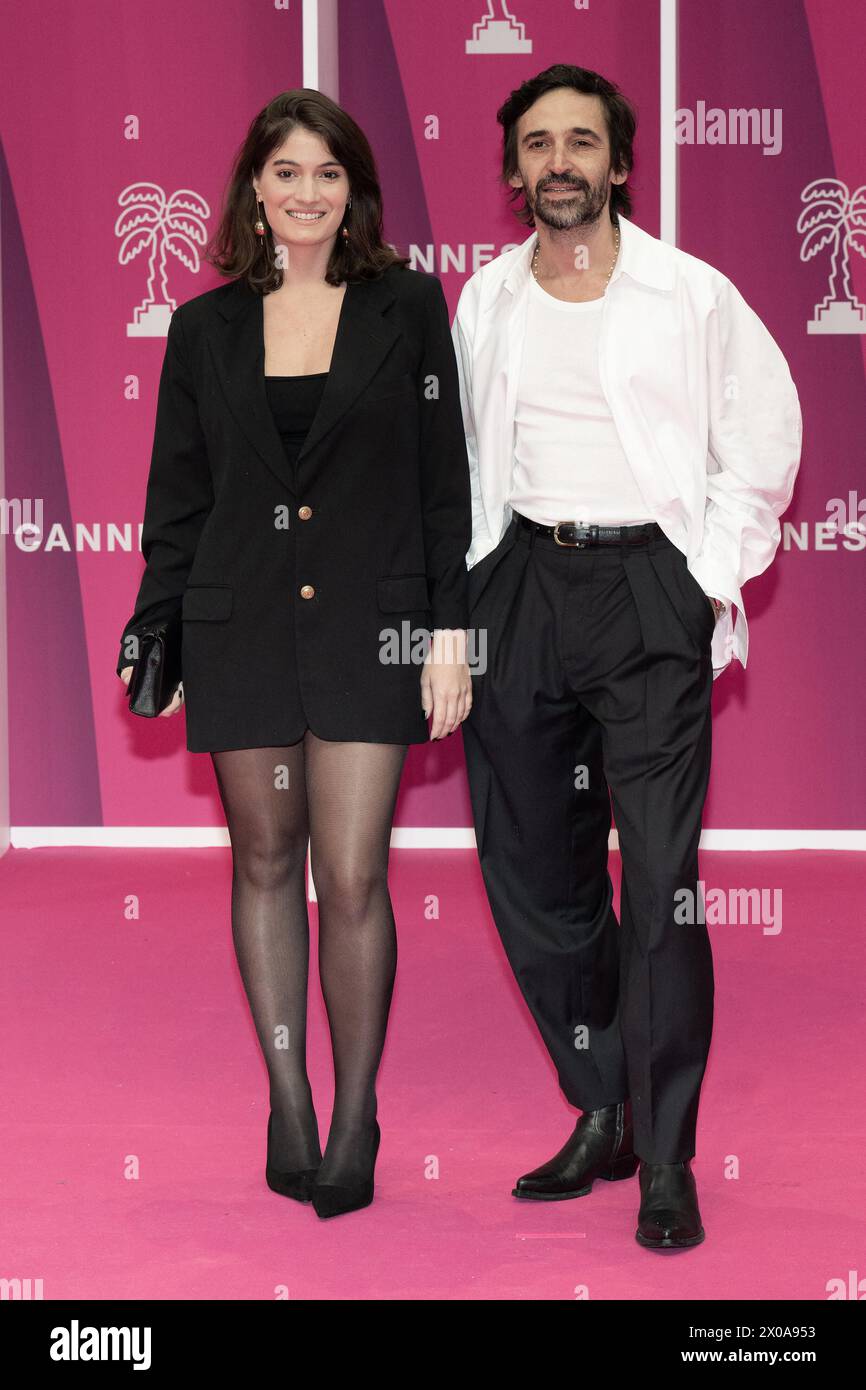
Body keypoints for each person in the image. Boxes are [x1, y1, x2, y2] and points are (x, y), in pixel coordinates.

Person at [452, 64, 802, 1249]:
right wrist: (470, 603)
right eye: (538, 143)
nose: (559, 161)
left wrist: (702, 575)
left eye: (581, 143)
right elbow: (459, 463)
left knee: (655, 885)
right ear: (513, 171)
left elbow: (763, 434)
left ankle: (664, 1154)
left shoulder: (685, 294)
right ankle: (597, 1104)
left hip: (647, 593)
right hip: (521, 593)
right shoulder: (484, 301)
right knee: (533, 879)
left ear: (617, 162)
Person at [117, 89, 472, 1219]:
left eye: (325, 173)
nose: (305, 193)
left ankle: (359, 1110)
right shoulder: (202, 327)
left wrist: (447, 633)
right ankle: (287, 1097)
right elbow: (178, 499)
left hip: (372, 630)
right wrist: (153, 621)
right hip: (243, 626)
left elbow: (441, 486)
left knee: (353, 873)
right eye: (285, 173)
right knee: (265, 865)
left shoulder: (407, 308)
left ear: (351, 189)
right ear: (254, 192)